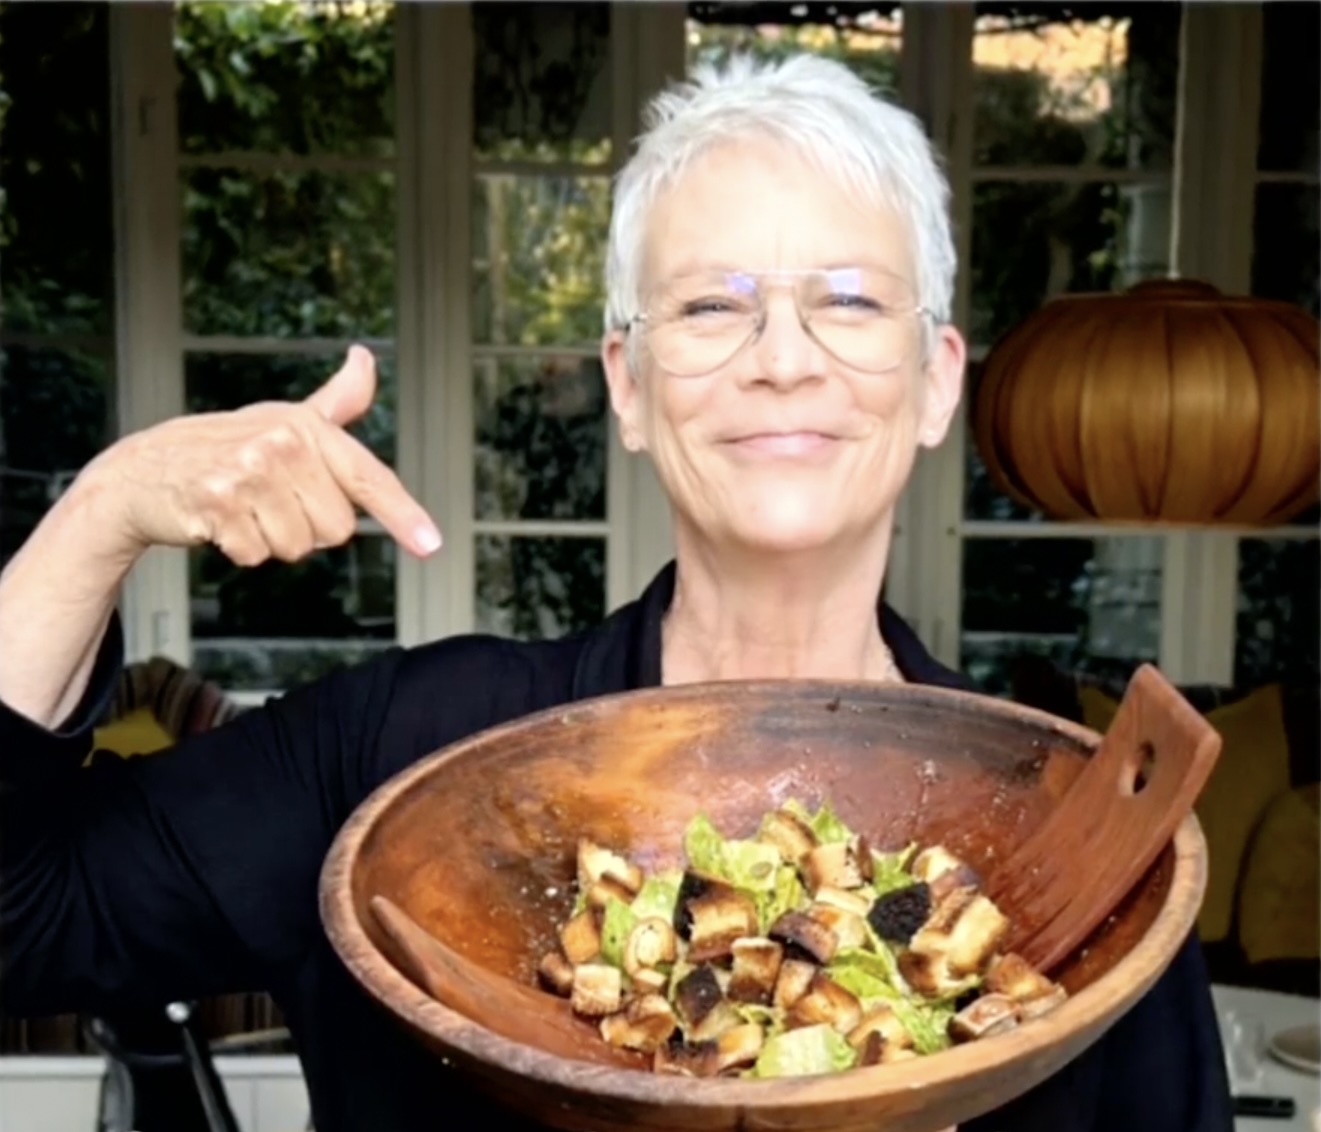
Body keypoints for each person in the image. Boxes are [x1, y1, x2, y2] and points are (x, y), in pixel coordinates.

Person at [0, 53, 1232, 1132]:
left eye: (849, 301)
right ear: (629, 385)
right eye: (711, 305)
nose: (784, 358)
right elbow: (20, 915)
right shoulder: (404, 759)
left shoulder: (1082, 850)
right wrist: (100, 512)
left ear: (932, 380)